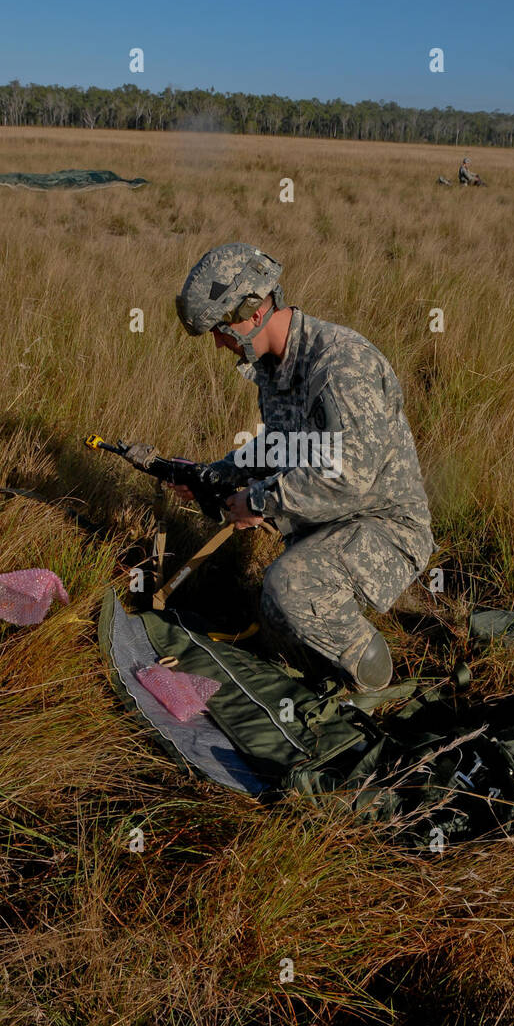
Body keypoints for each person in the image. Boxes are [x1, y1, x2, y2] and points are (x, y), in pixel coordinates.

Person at [128, 244, 435, 693]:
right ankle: (321, 671)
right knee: (276, 616)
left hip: (386, 527)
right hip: (328, 521)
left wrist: (259, 502)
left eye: (220, 328)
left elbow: (348, 475)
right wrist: (218, 475)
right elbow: (279, 446)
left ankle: (375, 687)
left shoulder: (341, 366)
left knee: (291, 586)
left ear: (252, 313)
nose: (217, 342)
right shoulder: (272, 368)